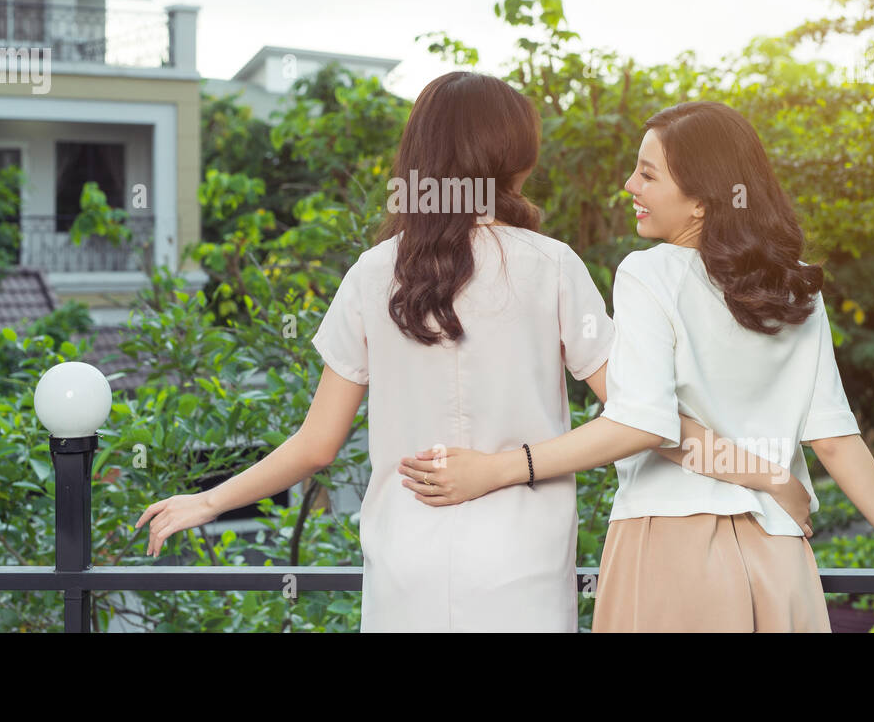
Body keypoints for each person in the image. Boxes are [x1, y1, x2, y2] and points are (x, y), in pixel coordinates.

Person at [136, 75, 813, 632]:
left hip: (405, 574)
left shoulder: (374, 273)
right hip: (522, 573)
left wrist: (209, 500)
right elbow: (642, 418)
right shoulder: (552, 266)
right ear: (513, 160)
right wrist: (761, 471)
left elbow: (316, 446)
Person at [399, 100, 874, 631]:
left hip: (669, 547)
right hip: (782, 555)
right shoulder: (799, 292)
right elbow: (836, 438)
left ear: (702, 198)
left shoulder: (648, 272)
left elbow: (642, 422)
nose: (628, 186)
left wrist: (501, 469)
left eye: (648, 173)